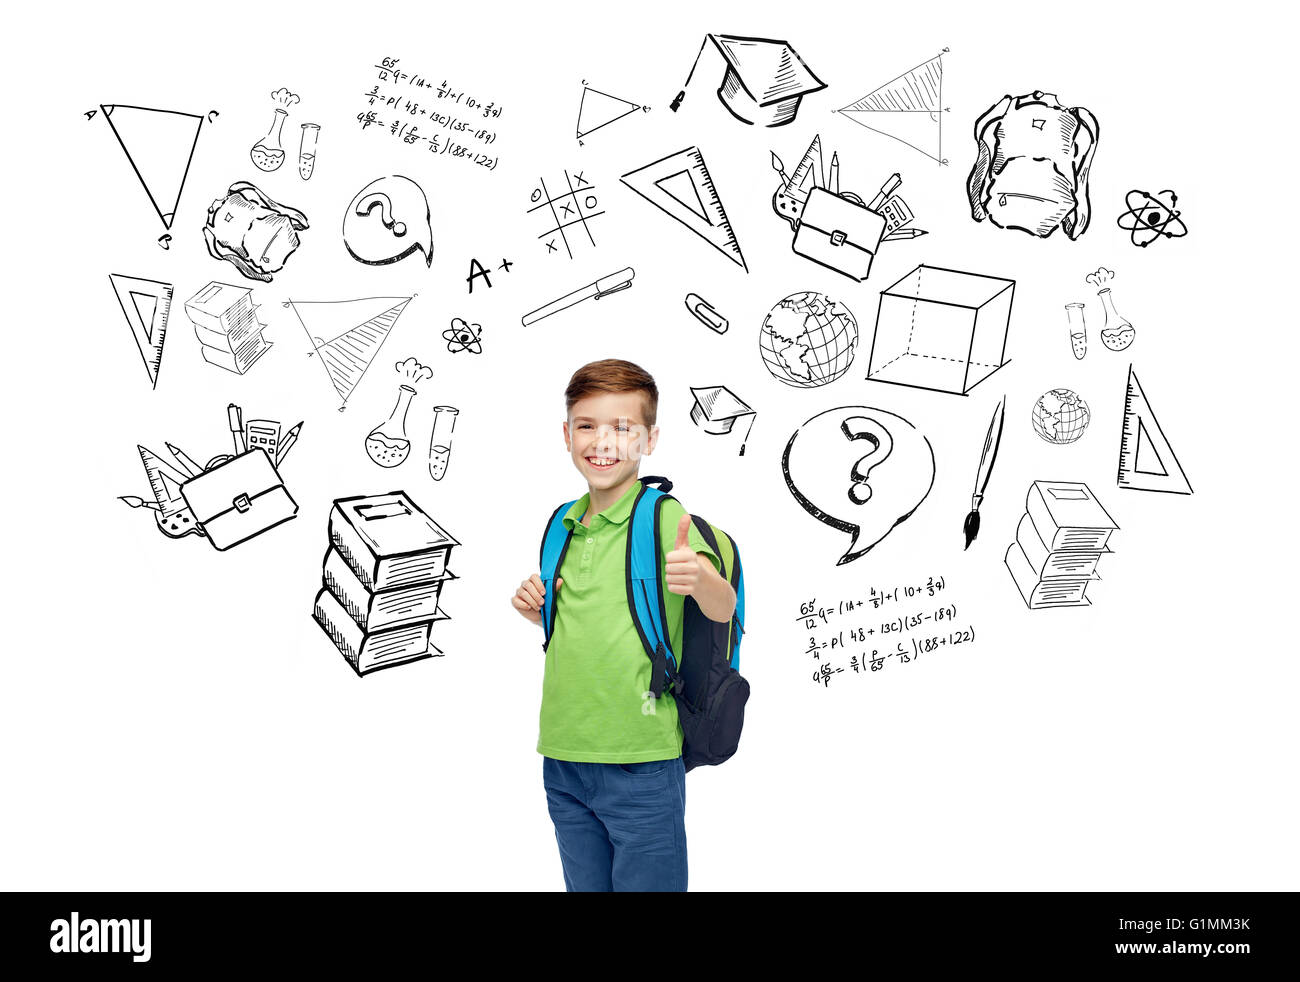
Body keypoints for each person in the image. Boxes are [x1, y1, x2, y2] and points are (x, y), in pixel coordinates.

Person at [511, 359, 737, 892]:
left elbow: (723, 606)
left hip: (640, 760)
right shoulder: (562, 522)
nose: (602, 441)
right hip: (563, 756)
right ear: (566, 434)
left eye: (623, 427)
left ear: (650, 439)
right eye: (587, 425)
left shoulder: (663, 519)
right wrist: (535, 610)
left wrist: (699, 579)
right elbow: (584, 622)